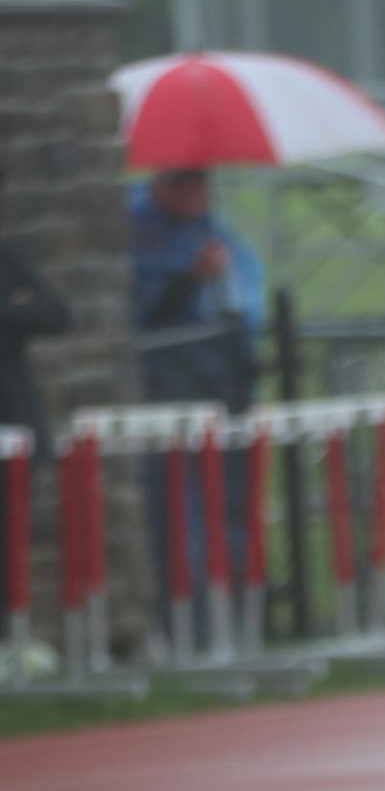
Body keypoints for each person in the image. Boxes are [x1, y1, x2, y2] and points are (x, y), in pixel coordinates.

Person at [128, 169, 265, 654]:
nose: (195, 194)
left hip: (222, 390)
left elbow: (247, 305)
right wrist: (188, 279)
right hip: (172, 397)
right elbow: (140, 312)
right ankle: (190, 630)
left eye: (201, 182)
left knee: (229, 508)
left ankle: (237, 624)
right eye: (183, 182)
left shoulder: (218, 234)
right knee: (180, 514)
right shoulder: (137, 233)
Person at [1, 167, 73, 621]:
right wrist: (15, 308)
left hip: (13, 414)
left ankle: (10, 637)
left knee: (11, 536)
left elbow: (56, 313)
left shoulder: (8, 255)